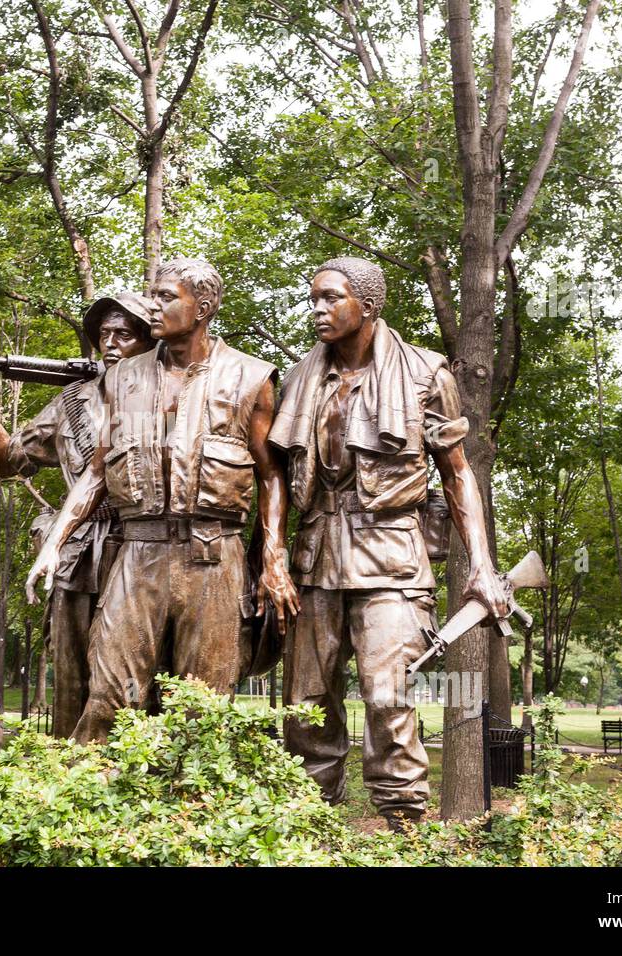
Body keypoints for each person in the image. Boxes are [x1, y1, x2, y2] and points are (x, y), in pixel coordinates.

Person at [267, 256, 507, 830]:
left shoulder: (427, 373)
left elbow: (456, 474)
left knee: (388, 700)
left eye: (331, 299)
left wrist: (482, 564)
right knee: (305, 709)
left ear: (368, 306)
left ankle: (402, 834)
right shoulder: (301, 377)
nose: (317, 310)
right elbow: (274, 472)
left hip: (392, 559)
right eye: (313, 299)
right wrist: (271, 555)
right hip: (315, 554)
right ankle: (309, 833)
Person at [26, 257, 300, 744]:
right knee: (109, 695)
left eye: (165, 297)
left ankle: (194, 811)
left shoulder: (251, 377)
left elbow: (271, 476)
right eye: (152, 295)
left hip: (214, 556)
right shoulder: (122, 378)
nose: (152, 305)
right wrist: (55, 543)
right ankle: (94, 809)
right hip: (138, 554)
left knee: (203, 706)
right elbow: (94, 476)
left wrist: (274, 556)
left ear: (204, 308)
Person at [0, 292, 154, 737]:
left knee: (133, 666)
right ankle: (70, 768)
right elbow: (8, 460)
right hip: (79, 550)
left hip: (141, 545)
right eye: (103, 334)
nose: (111, 343)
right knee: (70, 668)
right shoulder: (72, 402)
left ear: (147, 342)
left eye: (124, 334)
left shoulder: (167, 397)